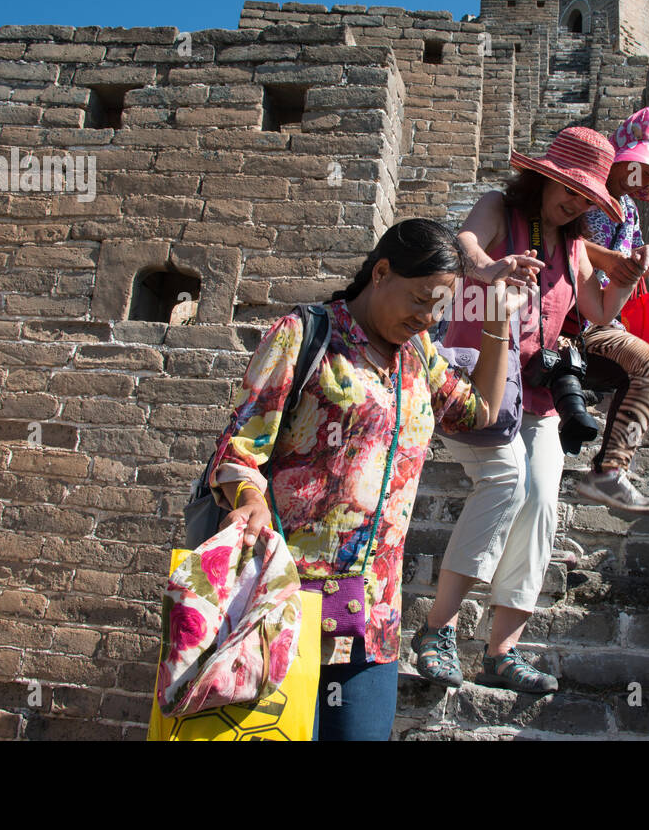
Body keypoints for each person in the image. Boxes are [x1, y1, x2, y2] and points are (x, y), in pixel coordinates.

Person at [206, 218, 524, 740]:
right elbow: (241, 446)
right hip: (284, 603)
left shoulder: (419, 355)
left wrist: (497, 321)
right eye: (420, 300)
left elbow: (480, 412)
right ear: (380, 273)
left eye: (440, 308)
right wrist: (250, 499)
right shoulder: (306, 335)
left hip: (371, 615)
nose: (427, 318)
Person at [412, 127, 641, 694]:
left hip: (537, 396)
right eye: (568, 188)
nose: (575, 202)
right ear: (542, 178)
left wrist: (627, 280)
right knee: (506, 479)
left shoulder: (575, 246)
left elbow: (598, 310)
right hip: (476, 384)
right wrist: (486, 269)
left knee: (541, 502)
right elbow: (464, 243)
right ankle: (437, 629)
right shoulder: (500, 208)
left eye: (587, 196)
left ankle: (502, 653)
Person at [572, 106, 649, 514]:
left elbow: (635, 262)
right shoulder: (581, 189)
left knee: (648, 369)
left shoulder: (627, 210)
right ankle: (607, 472)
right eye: (638, 165)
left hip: (603, 318)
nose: (641, 175)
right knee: (648, 366)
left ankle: (610, 469)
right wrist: (613, 260)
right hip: (567, 312)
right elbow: (558, 239)